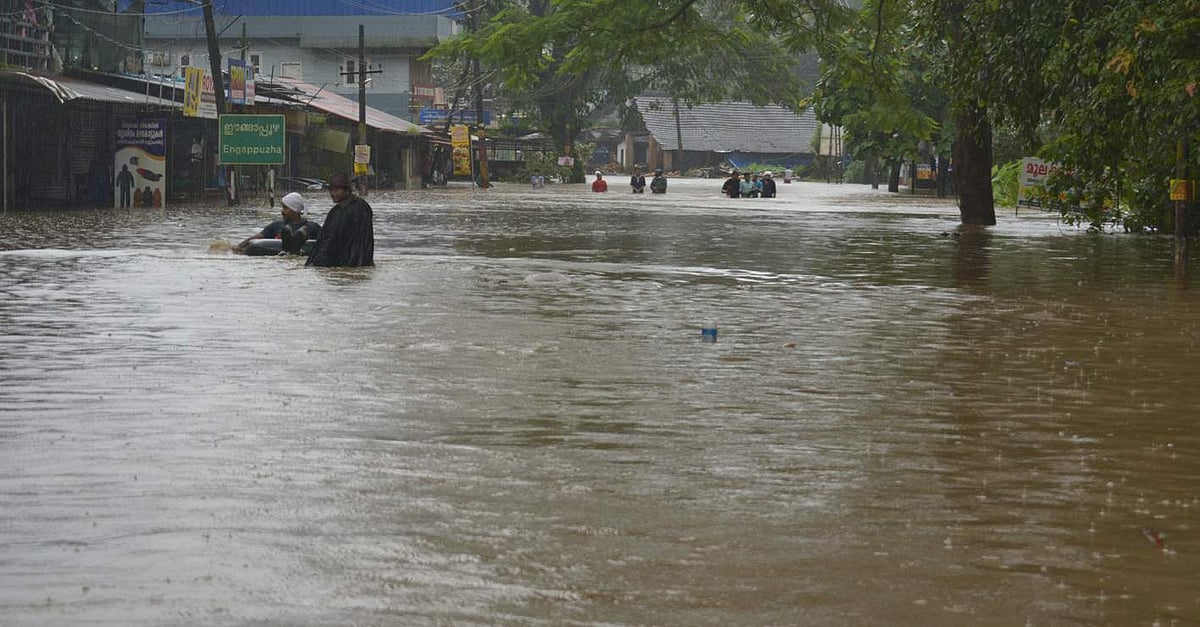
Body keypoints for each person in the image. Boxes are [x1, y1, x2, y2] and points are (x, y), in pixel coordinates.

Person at [306, 172, 374, 267]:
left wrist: (317, 264)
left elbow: (330, 241)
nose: (333, 194)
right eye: (331, 190)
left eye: (337, 190)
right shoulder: (364, 206)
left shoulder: (339, 212)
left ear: (347, 190)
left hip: (344, 263)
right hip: (363, 262)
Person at [236, 192, 321, 254]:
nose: (282, 211)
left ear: (295, 209)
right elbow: (257, 238)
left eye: (285, 208)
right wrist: (238, 247)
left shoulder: (313, 227)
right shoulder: (276, 225)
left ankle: (298, 239)